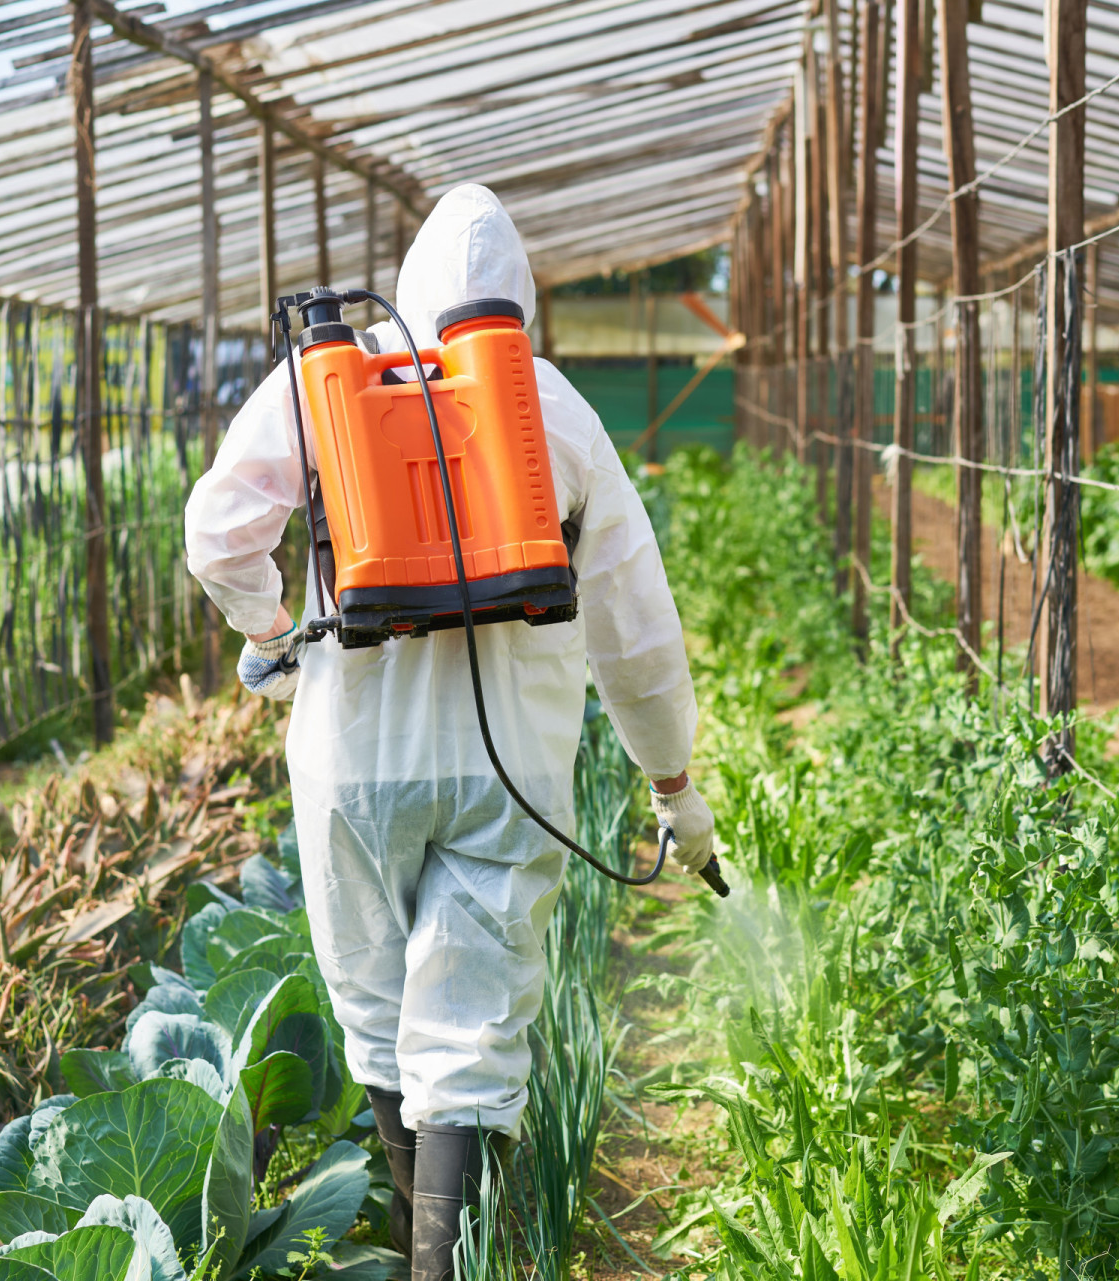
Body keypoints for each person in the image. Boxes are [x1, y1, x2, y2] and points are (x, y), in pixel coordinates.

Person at [183, 184, 714, 1281]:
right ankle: (449, 1264)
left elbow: (219, 534)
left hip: (354, 764)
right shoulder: (552, 407)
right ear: (516, 303)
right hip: (509, 769)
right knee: (470, 1036)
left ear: (409, 288)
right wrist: (673, 788)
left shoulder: (327, 379)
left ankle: (411, 1229)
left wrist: (271, 627)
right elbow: (636, 627)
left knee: (377, 1013)